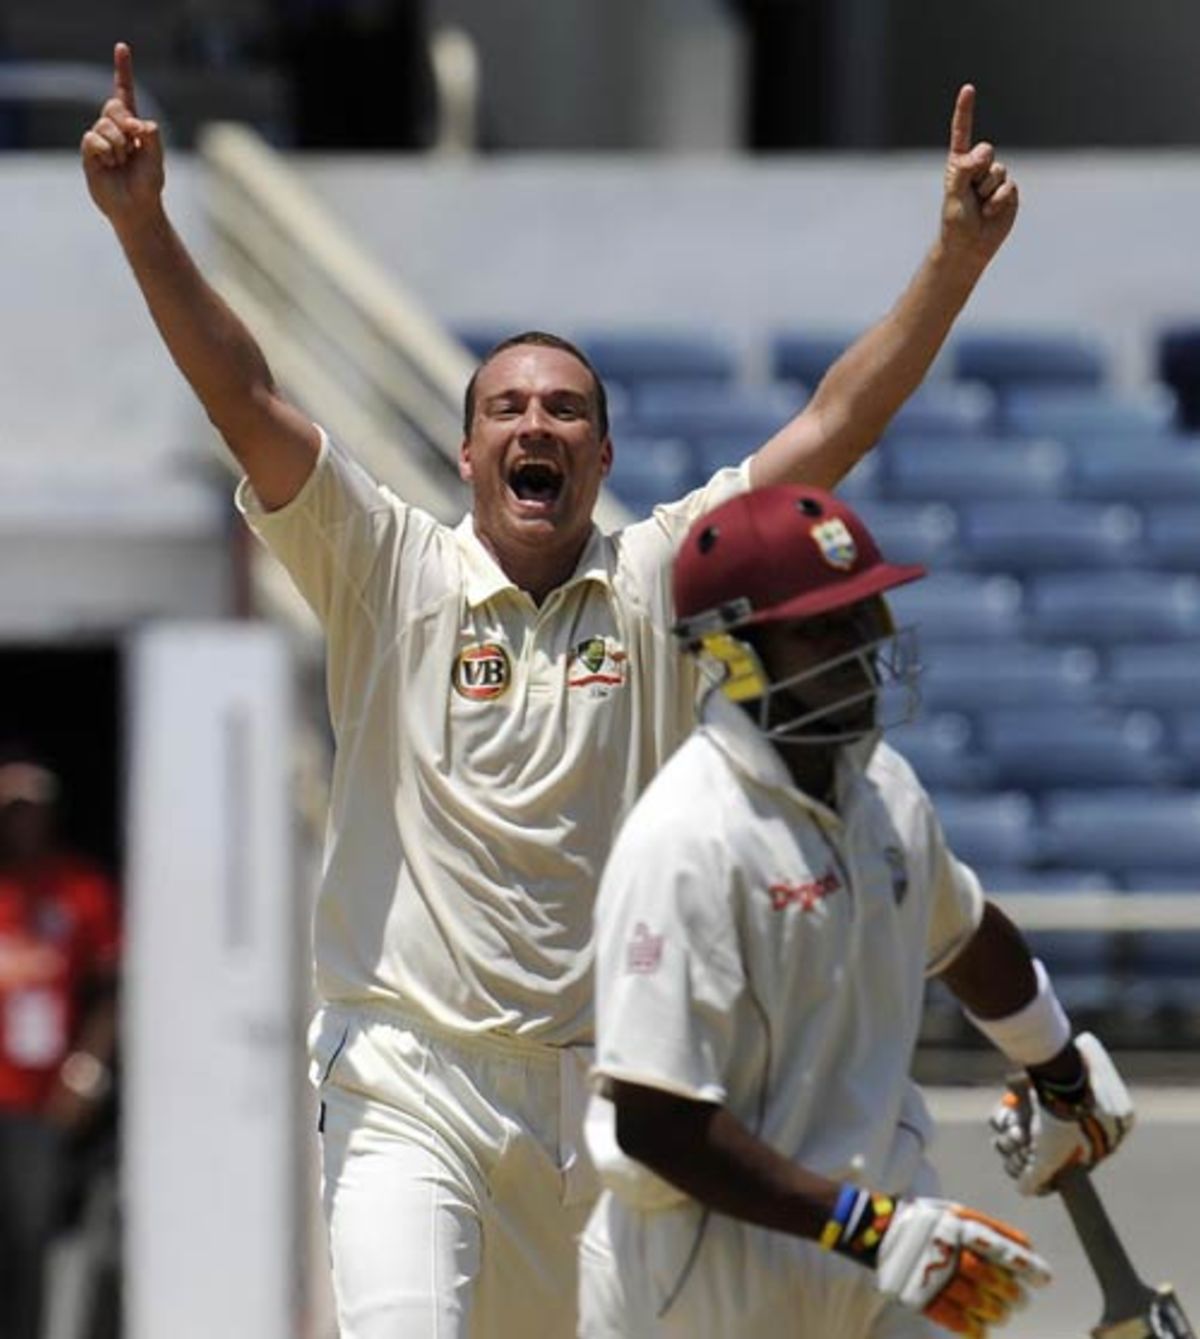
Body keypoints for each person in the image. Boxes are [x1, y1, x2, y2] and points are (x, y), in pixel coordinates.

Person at [82, 41, 1021, 1339]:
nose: (538, 424)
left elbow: (833, 424)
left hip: (620, 1097)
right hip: (413, 1079)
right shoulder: (384, 564)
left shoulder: (658, 576)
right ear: (469, 451)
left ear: (601, 451)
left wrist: (955, 263)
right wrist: (144, 225)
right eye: (511, 407)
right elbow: (245, 394)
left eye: (567, 409)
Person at [579, 483, 1135, 1338]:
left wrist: (1060, 1073)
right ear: (735, 653)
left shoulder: (884, 792)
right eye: (820, 629)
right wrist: (863, 1226)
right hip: (707, 1277)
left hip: (875, 1249)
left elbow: (966, 936)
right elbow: (657, 1122)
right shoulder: (686, 838)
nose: (857, 652)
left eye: (860, 619)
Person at [0, 752, 120, 1339]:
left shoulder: (81, 889)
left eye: (32, 809)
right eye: (12, 809)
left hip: (39, 1099)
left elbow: (114, 986)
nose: (23, 822)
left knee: (28, 1233)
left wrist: (87, 1070)